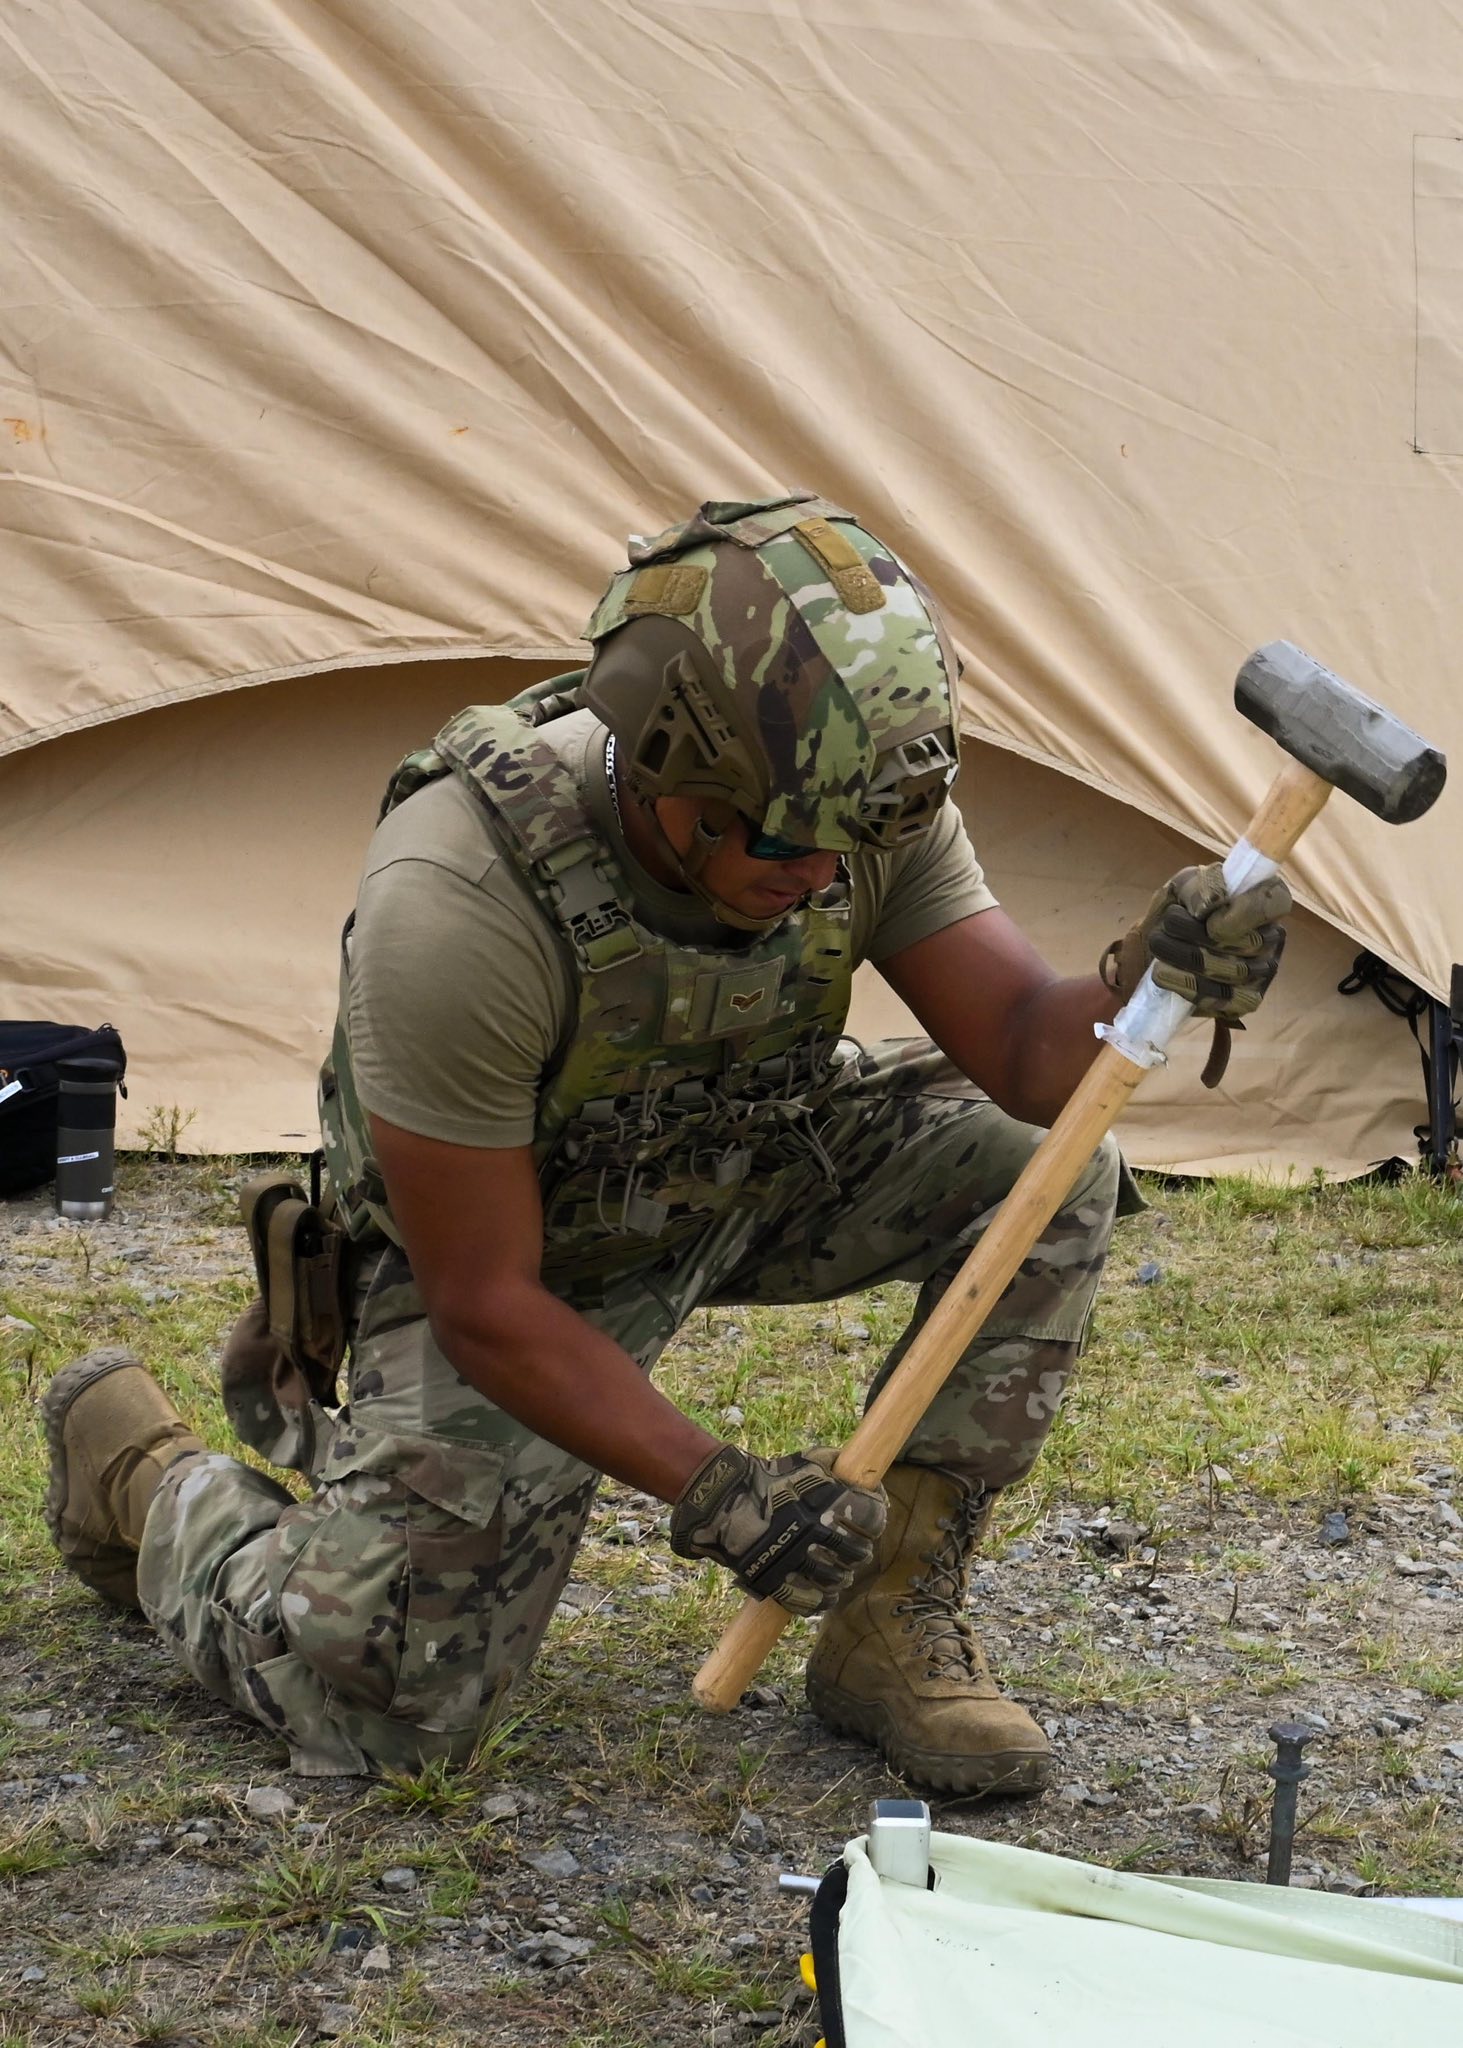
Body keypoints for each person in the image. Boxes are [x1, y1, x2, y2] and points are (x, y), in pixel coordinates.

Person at [41, 494, 1290, 1792]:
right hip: (530, 1259)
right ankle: (147, 1482)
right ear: (673, 777)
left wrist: (1148, 981)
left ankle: (888, 1620)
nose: (823, 881)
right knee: (394, 1712)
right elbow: (485, 1303)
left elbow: (1035, 1053)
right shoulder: (460, 897)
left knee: (1050, 1173)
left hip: (744, 1161)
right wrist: (724, 1493)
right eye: (786, 851)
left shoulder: (847, 801)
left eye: (852, 847)